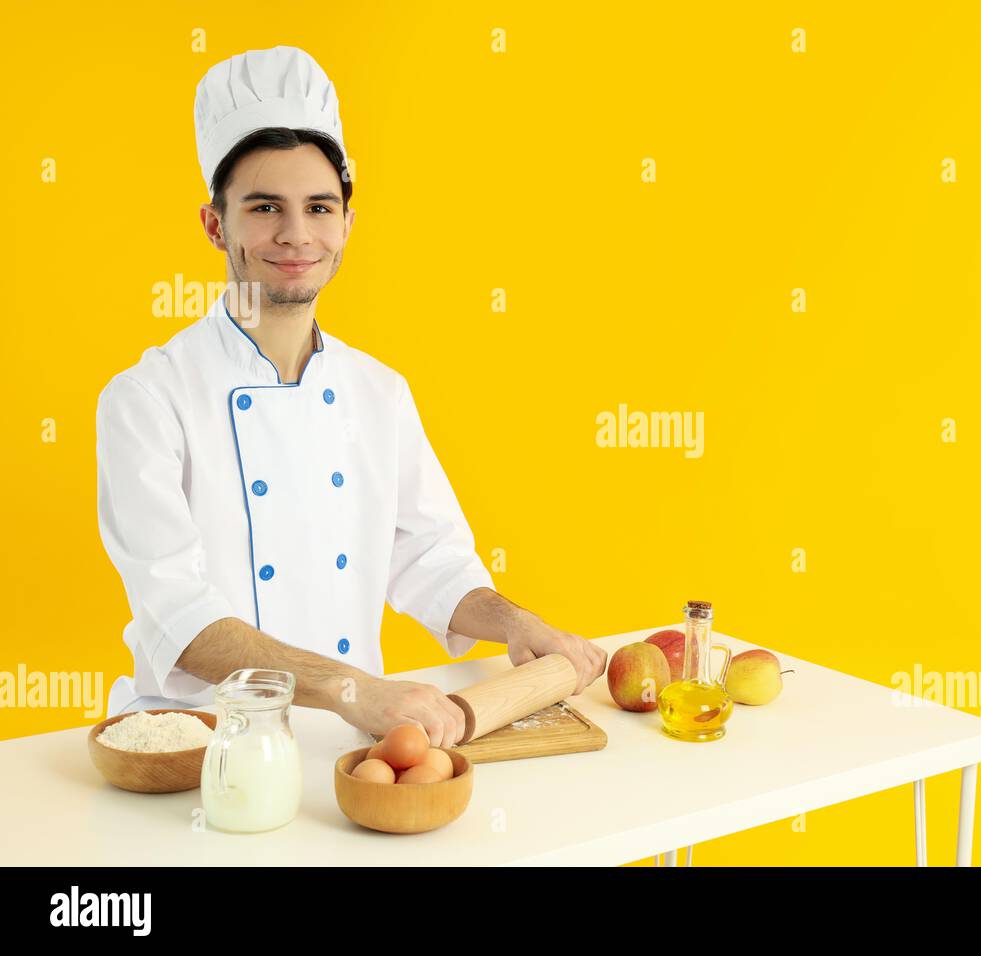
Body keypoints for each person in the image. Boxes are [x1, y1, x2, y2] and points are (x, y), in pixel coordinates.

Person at [96, 46, 605, 748]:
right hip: (204, 751)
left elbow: (433, 559)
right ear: (215, 225)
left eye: (319, 207)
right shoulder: (147, 399)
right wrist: (351, 689)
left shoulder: (378, 393)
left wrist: (516, 624)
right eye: (264, 207)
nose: (296, 234)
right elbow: (178, 619)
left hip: (358, 741)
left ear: (347, 227)